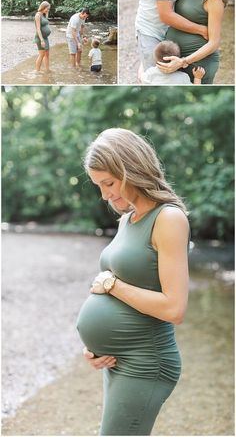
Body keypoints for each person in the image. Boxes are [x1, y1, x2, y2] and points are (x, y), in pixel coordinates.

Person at [77, 128, 189, 436]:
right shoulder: (129, 218)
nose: (104, 194)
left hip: (146, 363)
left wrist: (112, 286)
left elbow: (175, 308)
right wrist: (94, 347)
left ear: (131, 169)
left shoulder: (168, 219)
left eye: (109, 183)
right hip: (120, 361)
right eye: (99, 185)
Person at [158, 0, 231, 84]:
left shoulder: (214, 0)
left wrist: (184, 61)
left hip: (198, 65)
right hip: (174, 58)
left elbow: (214, 43)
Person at [34, 1, 51, 72]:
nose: (48, 10)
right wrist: (42, 40)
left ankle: (47, 70)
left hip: (45, 38)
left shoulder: (43, 14)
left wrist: (46, 14)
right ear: (43, 7)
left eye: (48, 9)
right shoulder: (38, 15)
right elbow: (38, 29)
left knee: (47, 54)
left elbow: (45, 24)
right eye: (47, 8)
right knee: (41, 55)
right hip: (40, 38)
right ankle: (37, 71)